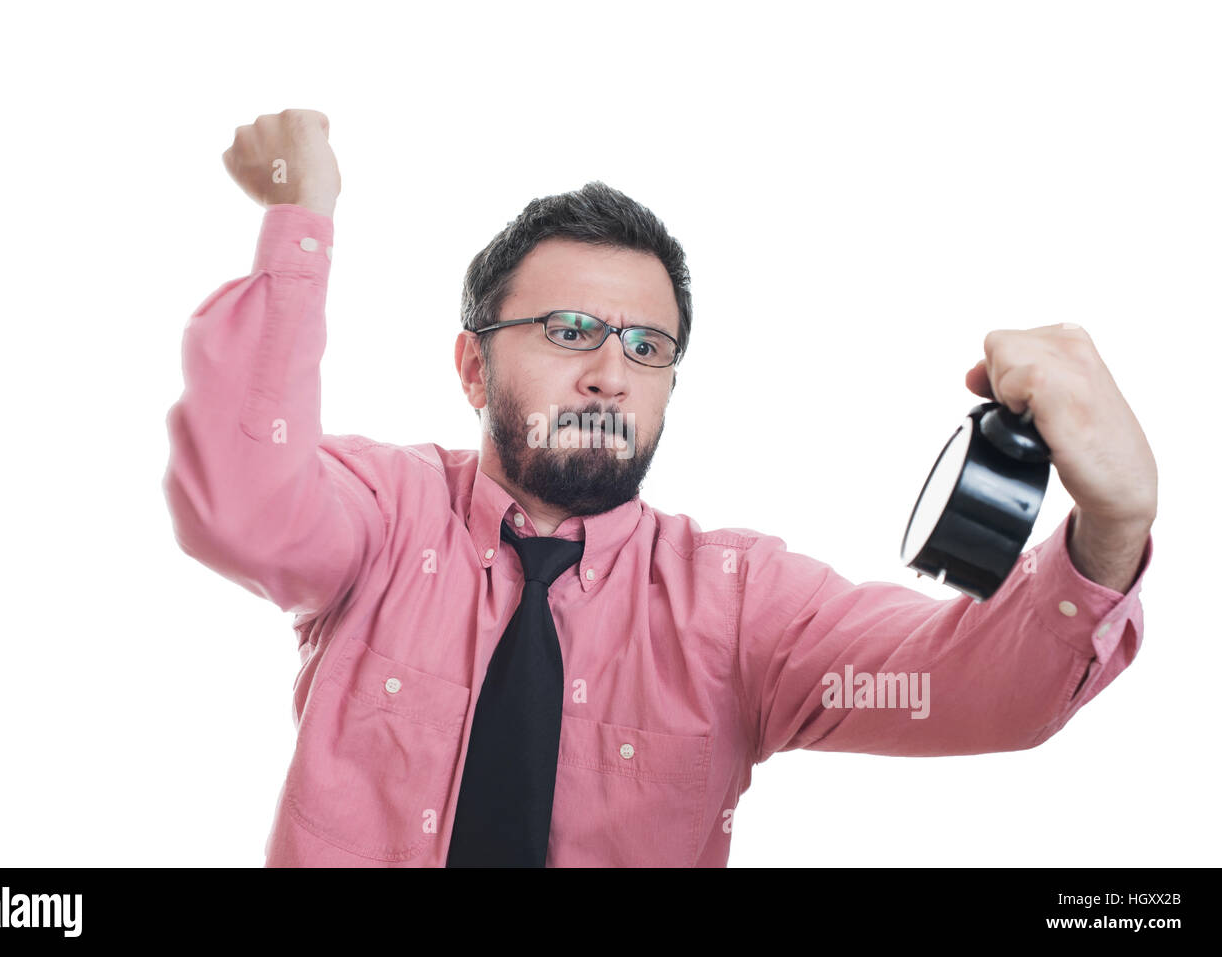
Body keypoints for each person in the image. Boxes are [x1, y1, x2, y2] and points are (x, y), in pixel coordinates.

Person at [162, 109, 1157, 867]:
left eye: (646, 346)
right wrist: (303, 215)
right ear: (472, 368)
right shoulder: (382, 516)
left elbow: (981, 690)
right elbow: (241, 506)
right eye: (567, 333)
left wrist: (1109, 524)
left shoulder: (736, 605)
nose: (609, 372)